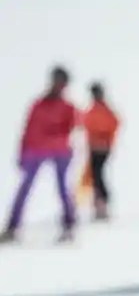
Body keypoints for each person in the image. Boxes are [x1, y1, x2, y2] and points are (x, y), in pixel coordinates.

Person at [2, 66, 79, 243]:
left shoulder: (68, 107)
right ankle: (12, 227)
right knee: (24, 187)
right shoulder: (38, 104)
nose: (59, 85)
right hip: (36, 150)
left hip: (59, 151)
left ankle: (69, 225)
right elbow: (27, 129)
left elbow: (73, 129)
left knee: (62, 188)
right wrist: (22, 153)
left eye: (63, 82)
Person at [80, 81, 121, 221]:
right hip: (96, 147)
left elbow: (114, 123)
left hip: (101, 148)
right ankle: (99, 203)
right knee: (96, 175)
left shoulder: (103, 110)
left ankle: (102, 204)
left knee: (97, 175)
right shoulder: (97, 109)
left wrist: (103, 136)